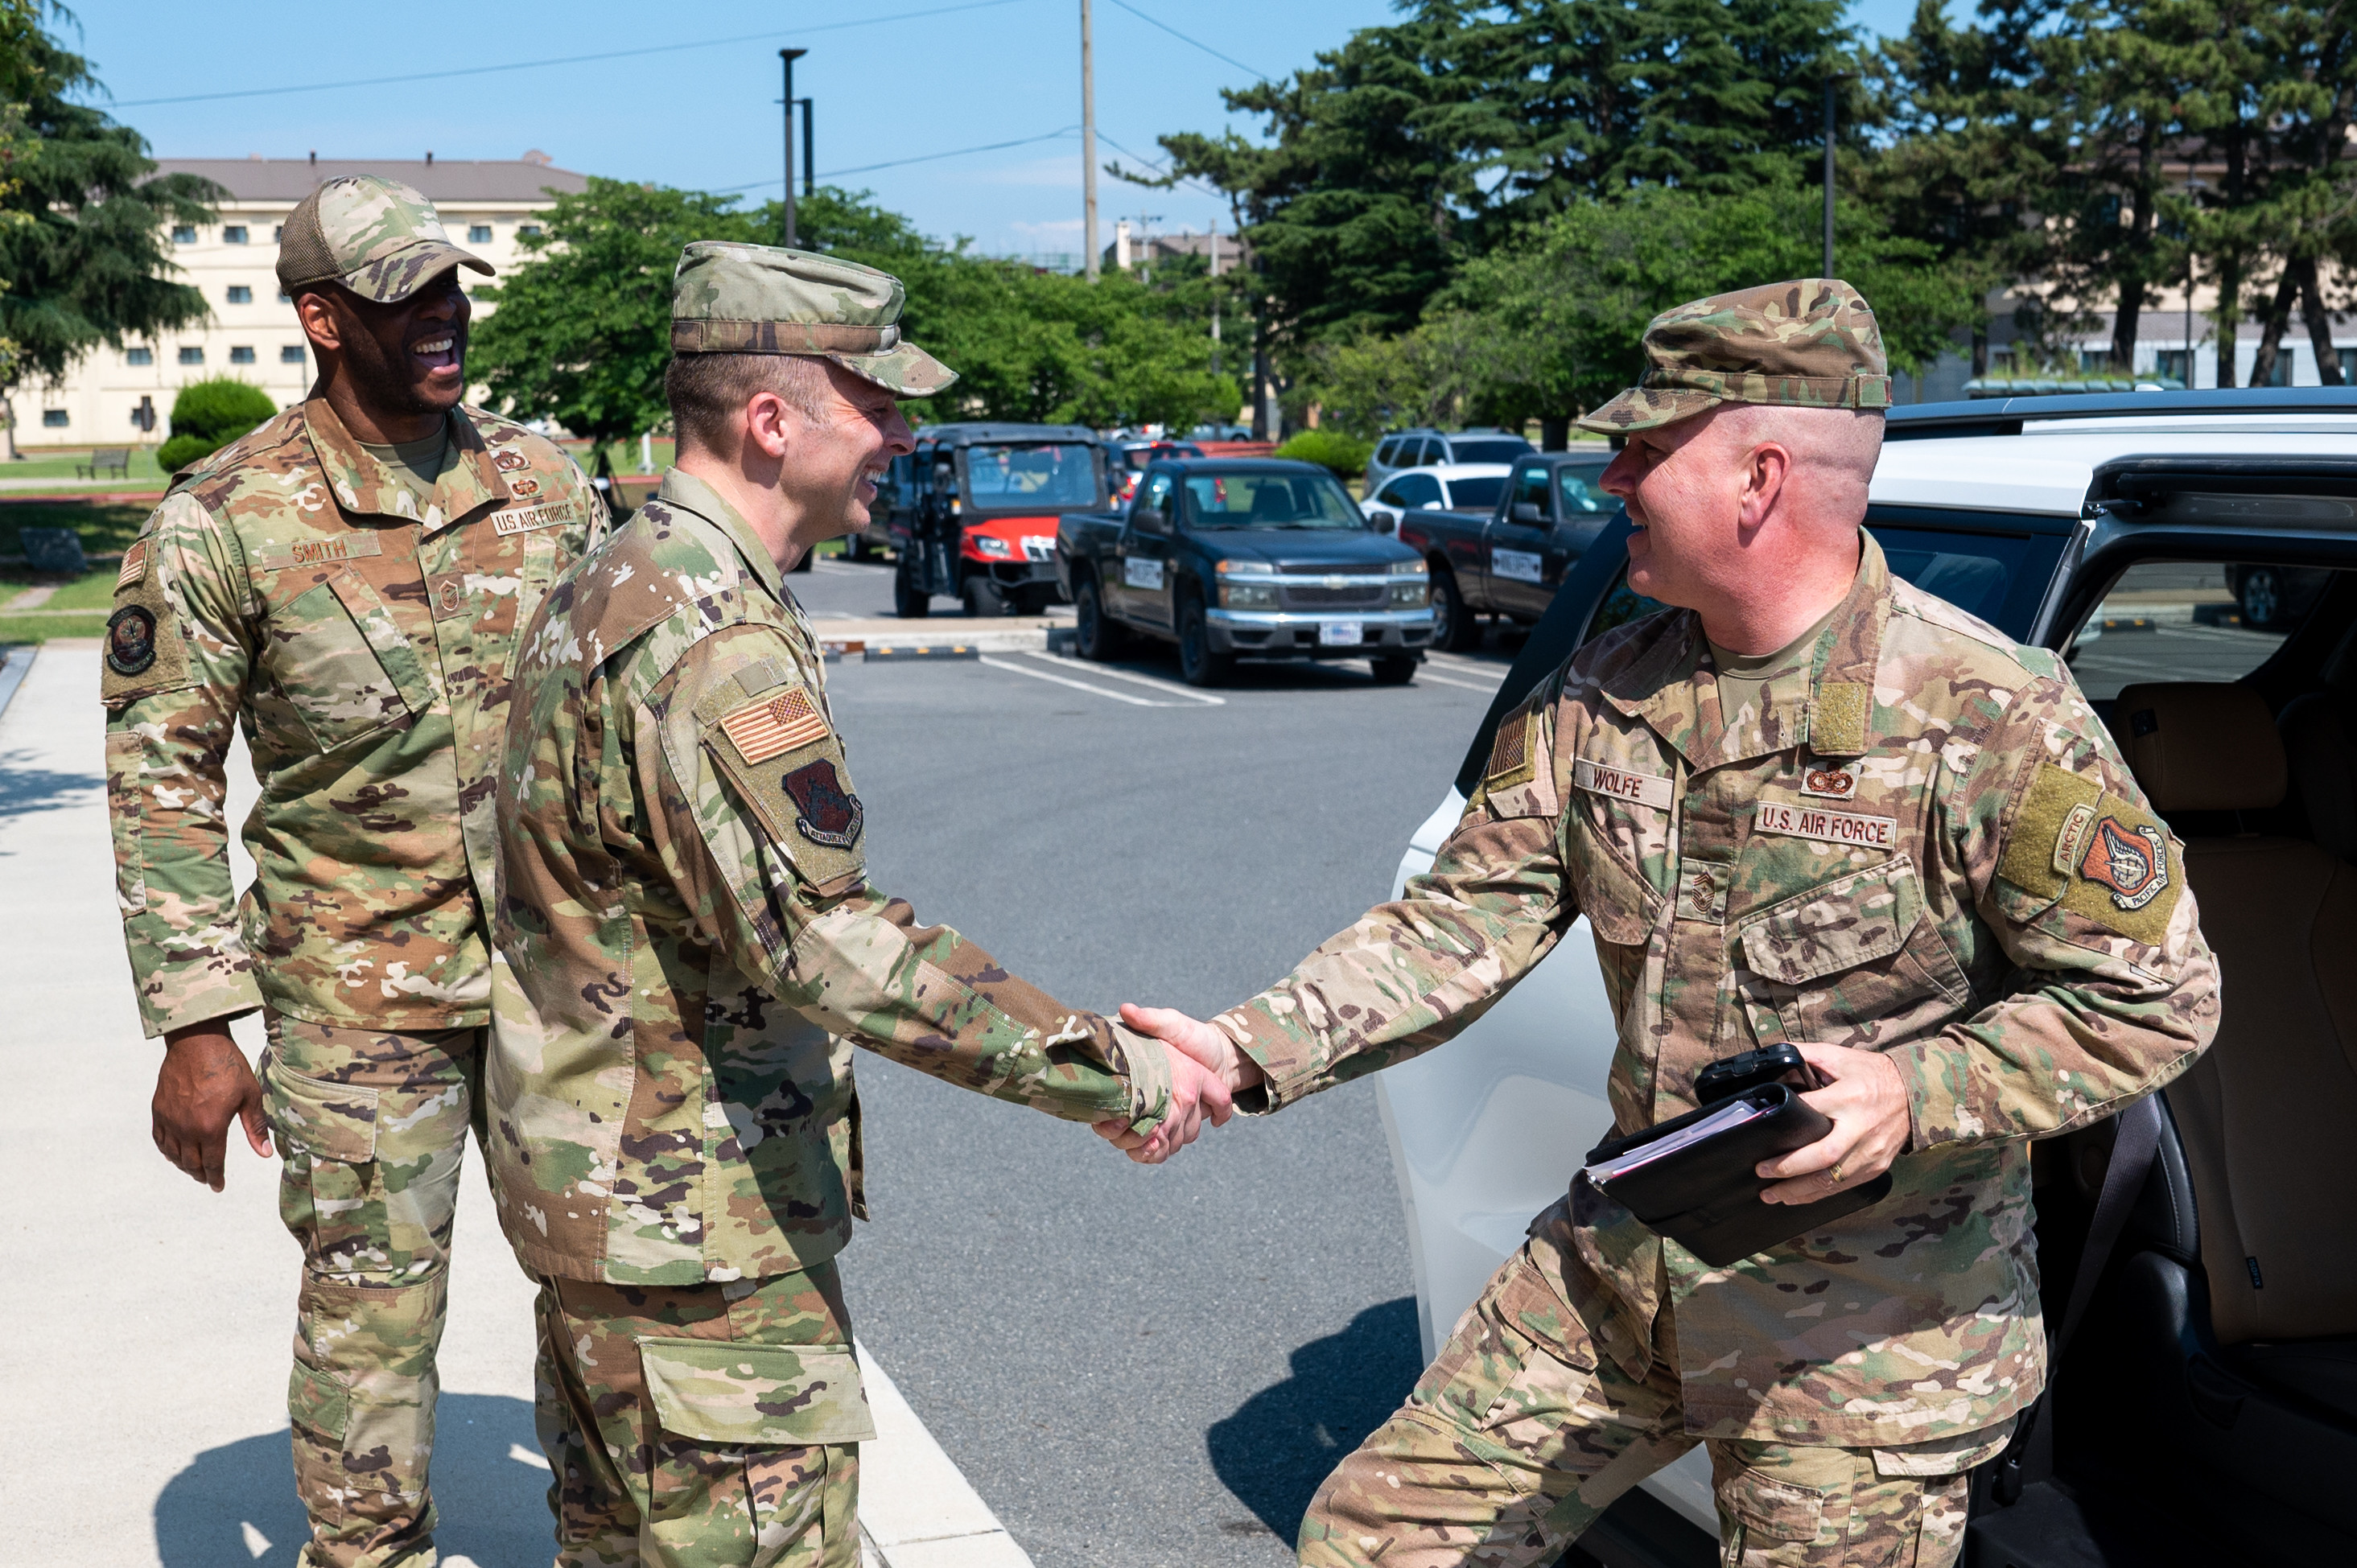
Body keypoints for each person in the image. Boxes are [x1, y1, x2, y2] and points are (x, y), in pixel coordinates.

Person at [1119, 279, 2220, 1567]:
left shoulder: (1989, 717)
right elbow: (1454, 924)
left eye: (1643, 449)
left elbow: (2153, 999)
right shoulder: (1605, 687)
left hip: (1861, 1340)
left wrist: (1910, 1088)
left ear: (1758, 477)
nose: (1609, 478)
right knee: (1375, 1540)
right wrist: (1239, 1048)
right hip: (1624, 1263)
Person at [489, 241, 1229, 1567]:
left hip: (610, 1206)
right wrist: (1107, 1070)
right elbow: (828, 941)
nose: (904, 431)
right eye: (876, 400)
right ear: (772, 421)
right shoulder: (707, 632)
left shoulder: (618, 576)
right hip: (695, 1235)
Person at [102, 174, 607, 1567]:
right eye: (405, 300)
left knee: (604, 1300)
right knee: (372, 1327)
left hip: (567, 986)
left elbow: (627, 722)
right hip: (355, 1001)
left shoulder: (551, 481)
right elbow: (162, 786)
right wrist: (198, 1026)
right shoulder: (223, 521)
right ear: (325, 319)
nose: (444, 318)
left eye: (450, 289)